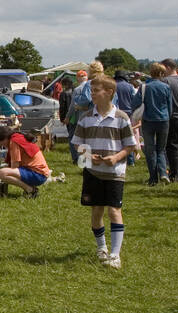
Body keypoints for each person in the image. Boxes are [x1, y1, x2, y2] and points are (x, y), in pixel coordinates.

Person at [73, 74, 138, 269]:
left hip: (115, 172)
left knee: (114, 211)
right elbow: (77, 144)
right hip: (93, 173)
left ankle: (115, 255)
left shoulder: (121, 118)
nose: (92, 94)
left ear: (109, 92)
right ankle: (101, 248)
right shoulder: (85, 118)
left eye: (95, 91)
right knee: (96, 211)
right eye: (91, 90)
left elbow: (130, 146)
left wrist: (116, 158)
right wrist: (87, 157)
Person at [0, 125, 50, 197]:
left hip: (38, 175)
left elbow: (14, 166)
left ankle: (30, 190)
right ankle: (30, 188)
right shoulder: (18, 137)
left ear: (5, 138)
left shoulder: (14, 142)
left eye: (0, 141)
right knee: (3, 171)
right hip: (40, 173)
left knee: (2, 173)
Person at [140, 63, 172, 185]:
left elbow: (135, 103)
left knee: (150, 150)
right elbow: (169, 106)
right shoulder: (166, 87)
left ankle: (153, 178)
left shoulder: (145, 87)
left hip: (148, 120)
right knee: (161, 149)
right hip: (163, 120)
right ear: (162, 73)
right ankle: (163, 173)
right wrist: (168, 117)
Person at [64, 63, 102, 163]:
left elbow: (84, 100)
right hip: (105, 115)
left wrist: (77, 101)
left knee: (81, 140)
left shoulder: (87, 85)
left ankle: (83, 161)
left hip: (88, 116)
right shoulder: (108, 82)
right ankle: (100, 161)